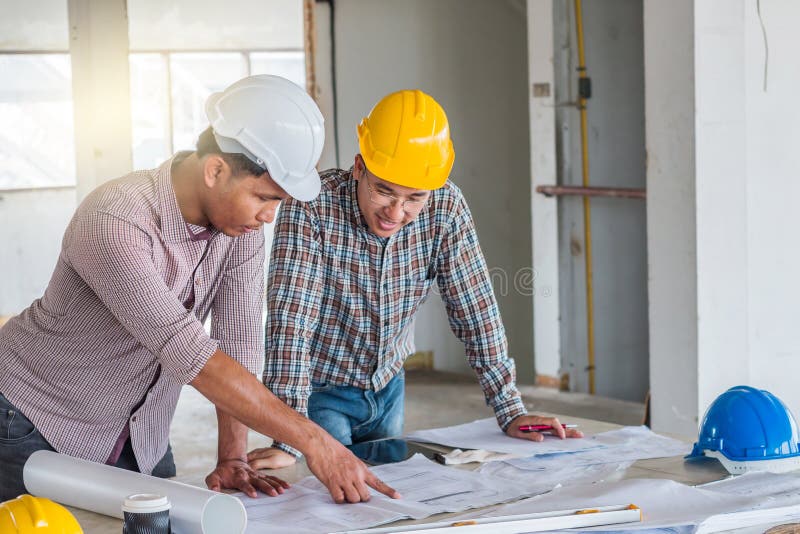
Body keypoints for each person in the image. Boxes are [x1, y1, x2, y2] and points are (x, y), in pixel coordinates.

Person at [0, 75, 398, 505]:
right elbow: (191, 355)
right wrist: (317, 443)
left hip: (140, 441)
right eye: (264, 197)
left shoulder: (240, 229)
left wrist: (233, 455)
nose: (269, 216)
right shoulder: (116, 219)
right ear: (215, 170)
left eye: (278, 202)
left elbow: (239, 343)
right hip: (32, 422)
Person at [248, 89, 583, 469]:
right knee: (342, 504)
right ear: (359, 167)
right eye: (383, 190)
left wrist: (509, 407)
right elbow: (291, 322)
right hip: (320, 392)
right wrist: (289, 437)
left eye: (414, 198)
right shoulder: (310, 207)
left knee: (388, 502)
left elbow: (475, 308)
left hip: (389, 387)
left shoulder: (446, 206)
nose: (396, 211)